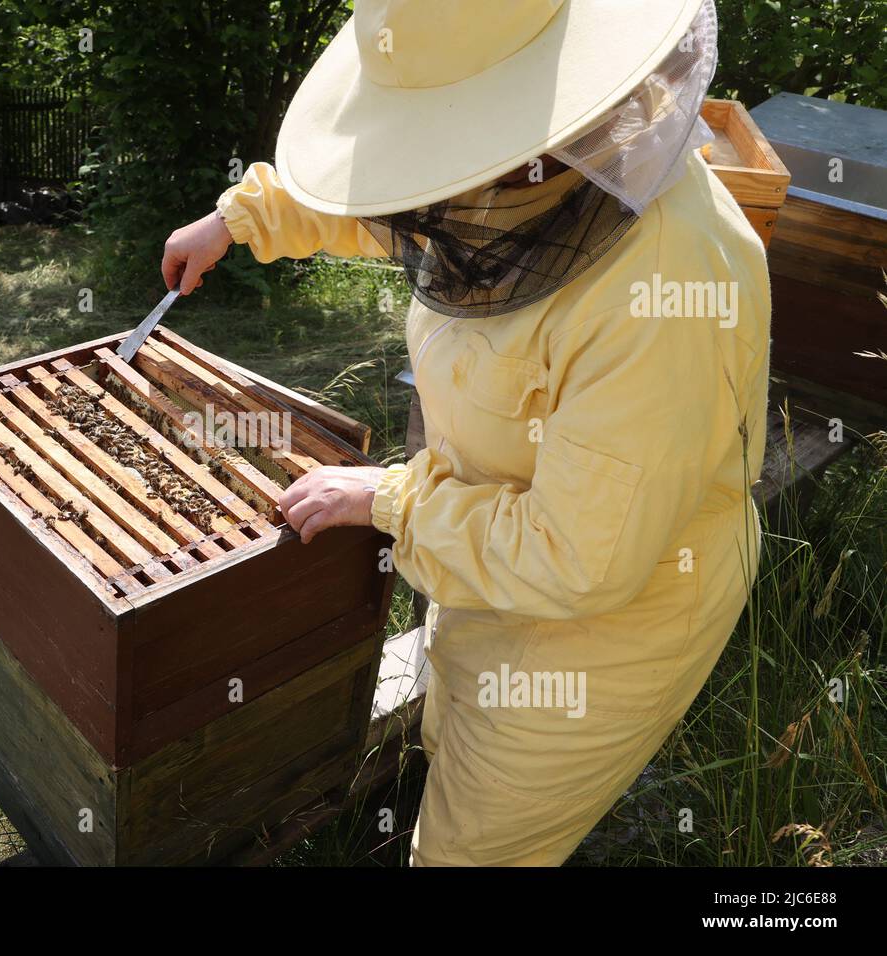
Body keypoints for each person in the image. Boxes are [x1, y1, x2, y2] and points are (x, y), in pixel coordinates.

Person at [161, 0, 770, 865]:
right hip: (490, 566)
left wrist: (393, 500)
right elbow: (399, 203)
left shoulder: (665, 288)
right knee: (450, 740)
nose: (431, 192)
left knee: (473, 850)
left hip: (603, 638)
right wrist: (245, 218)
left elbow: (580, 557)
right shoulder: (517, 186)